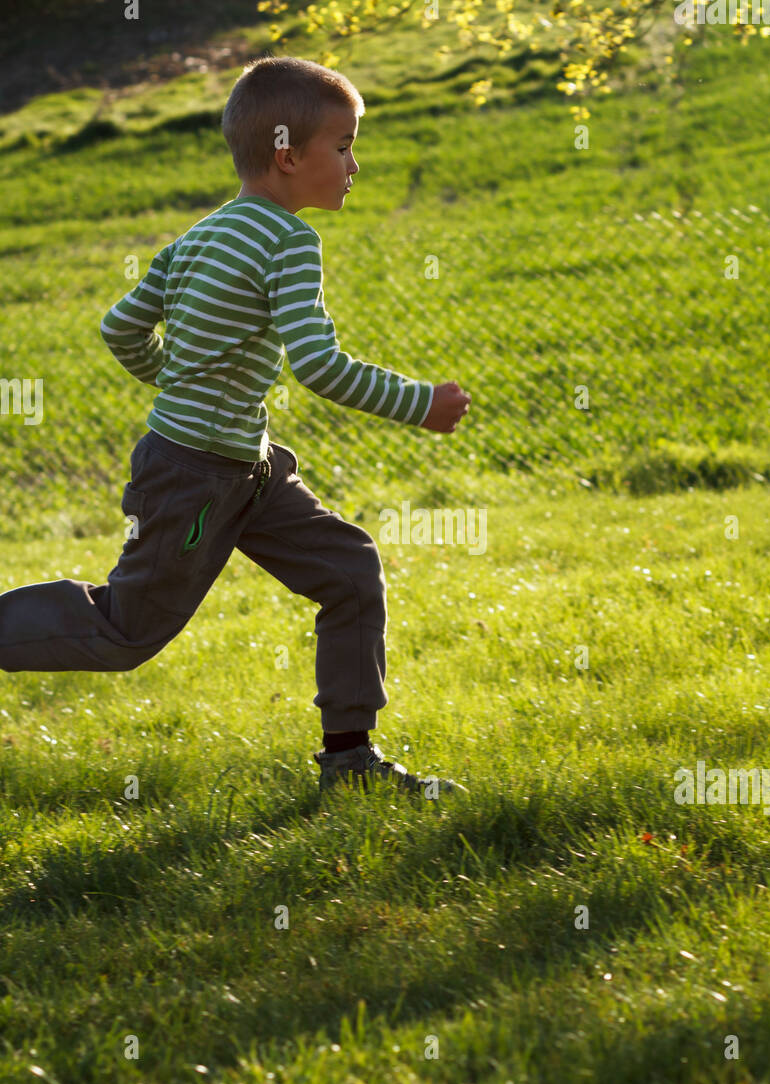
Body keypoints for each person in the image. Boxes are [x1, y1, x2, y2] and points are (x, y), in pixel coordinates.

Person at [0, 56, 471, 795]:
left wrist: (179, 380)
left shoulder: (197, 236)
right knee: (125, 631)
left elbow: (120, 327)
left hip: (247, 469)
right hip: (196, 476)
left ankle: (350, 764)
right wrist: (422, 405)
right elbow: (319, 365)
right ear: (289, 156)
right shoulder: (289, 242)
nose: (356, 164)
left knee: (349, 573)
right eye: (344, 146)